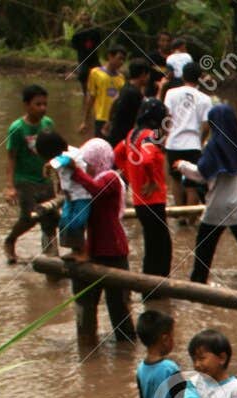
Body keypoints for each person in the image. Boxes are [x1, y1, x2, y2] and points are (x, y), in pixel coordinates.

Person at [175, 105, 237, 290]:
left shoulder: (213, 146)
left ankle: (197, 286)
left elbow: (201, 174)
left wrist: (182, 165)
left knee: (204, 248)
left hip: (218, 204)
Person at [67, 138, 134, 341]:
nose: (86, 167)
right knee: (89, 301)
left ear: (98, 161)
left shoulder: (111, 178)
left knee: (118, 306)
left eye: (88, 163)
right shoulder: (95, 179)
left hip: (113, 250)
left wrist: (76, 172)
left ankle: (126, 345)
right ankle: (89, 344)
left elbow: (96, 189)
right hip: (96, 249)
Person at [3, 84, 56, 264]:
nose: (42, 108)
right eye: (38, 104)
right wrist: (10, 187)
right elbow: (11, 158)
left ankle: (50, 256)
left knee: (50, 217)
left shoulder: (48, 123)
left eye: (44, 104)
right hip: (24, 179)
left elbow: (53, 151)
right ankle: (10, 240)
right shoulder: (17, 129)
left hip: (45, 177)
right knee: (29, 217)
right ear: (27, 105)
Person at [120, 99, 171, 280]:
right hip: (153, 199)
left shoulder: (131, 134)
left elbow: (117, 153)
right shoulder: (150, 136)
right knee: (162, 248)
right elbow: (147, 159)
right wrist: (150, 180)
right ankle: (157, 289)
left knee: (152, 246)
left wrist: (131, 175)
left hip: (139, 200)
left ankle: (150, 289)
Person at [163, 65, 214, 210]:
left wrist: (165, 137)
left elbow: (166, 117)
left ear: (183, 76)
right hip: (193, 144)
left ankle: (180, 217)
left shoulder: (171, 93)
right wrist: (201, 141)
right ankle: (190, 217)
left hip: (173, 143)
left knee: (176, 180)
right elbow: (206, 126)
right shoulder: (205, 98)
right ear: (199, 79)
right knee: (192, 183)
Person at [41, 133, 92, 261]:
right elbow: (62, 174)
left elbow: (67, 161)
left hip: (82, 195)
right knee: (64, 222)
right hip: (70, 195)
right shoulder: (60, 155)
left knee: (77, 223)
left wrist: (50, 164)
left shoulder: (70, 154)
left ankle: (84, 252)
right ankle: (75, 250)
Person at [104, 58, 151, 146]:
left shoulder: (126, 87)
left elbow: (113, 102)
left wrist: (109, 122)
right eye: (148, 74)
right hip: (124, 139)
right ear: (143, 74)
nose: (149, 78)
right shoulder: (134, 94)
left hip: (116, 136)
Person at [83, 44, 127, 136]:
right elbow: (91, 96)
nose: (121, 62)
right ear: (110, 56)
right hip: (101, 117)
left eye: (123, 60)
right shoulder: (96, 73)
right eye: (119, 58)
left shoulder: (121, 79)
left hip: (115, 120)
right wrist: (85, 121)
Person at [68, 20, 106, 98]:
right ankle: (85, 93)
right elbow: (73, 45)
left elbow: (99, 40)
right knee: (82, 75)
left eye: (87, 20)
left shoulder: (95, 31)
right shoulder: (78, 33)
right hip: (83, 58)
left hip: (94, 58)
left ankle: (97, 92)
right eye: (84, 21)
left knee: (100, 74)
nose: (86, 22)